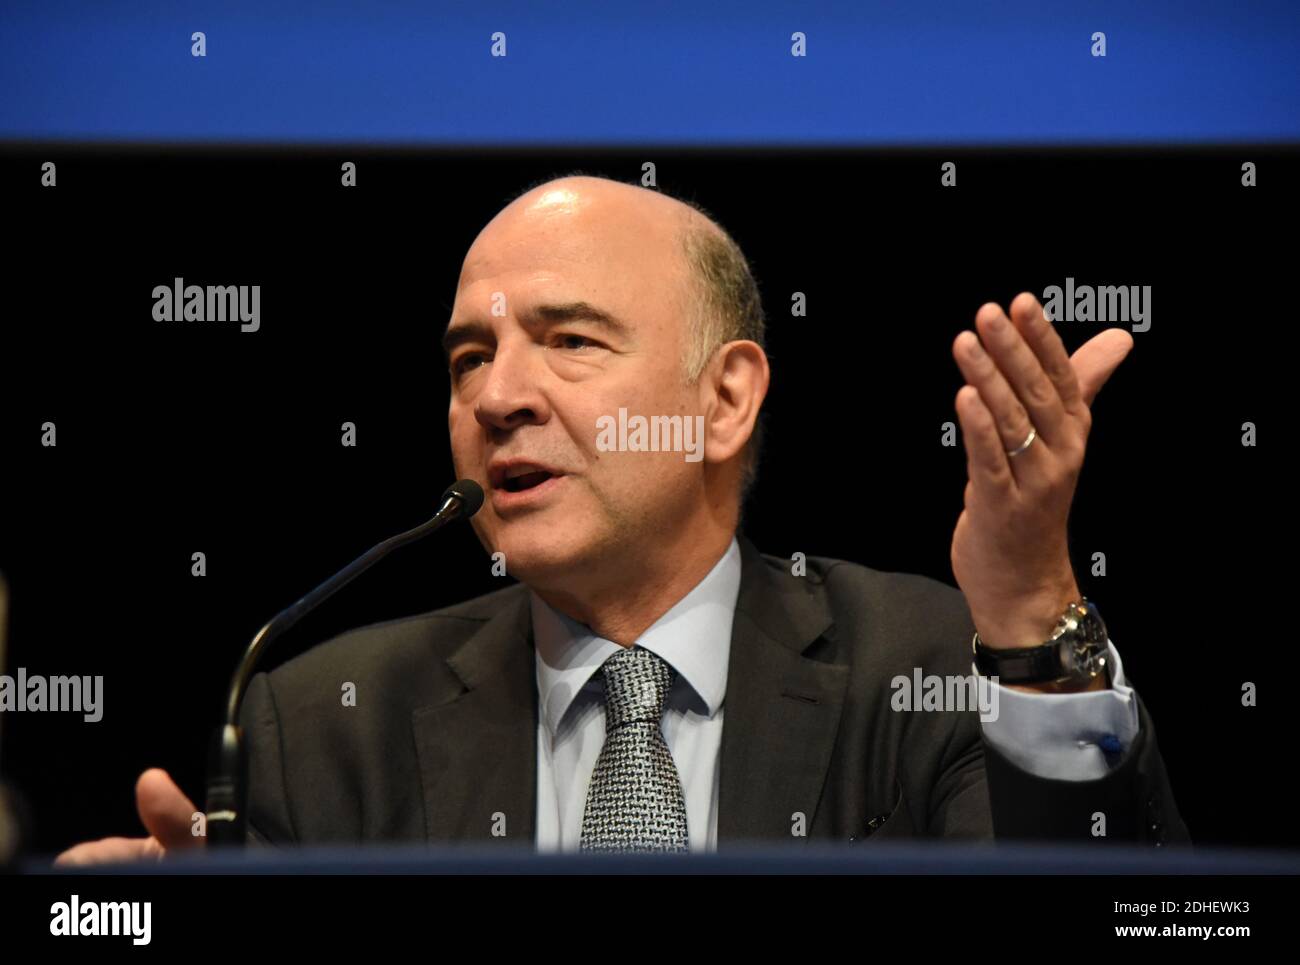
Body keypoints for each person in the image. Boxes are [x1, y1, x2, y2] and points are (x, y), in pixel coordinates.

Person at [56, 175, 1187, 863]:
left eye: (569, 341)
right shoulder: (317, 718)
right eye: (467, 358)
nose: (496, 396)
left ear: (725, 398)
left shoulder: (930, 668)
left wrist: (1033, 600)